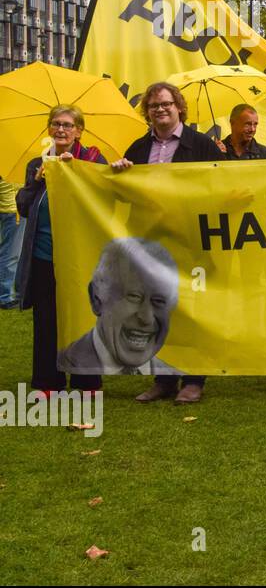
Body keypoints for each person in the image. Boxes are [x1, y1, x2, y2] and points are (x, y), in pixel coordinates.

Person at [111, 81, 224, 404]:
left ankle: (193, 381)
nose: (159, 110)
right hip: (151, 245)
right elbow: (123, 193)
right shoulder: (136, 149)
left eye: (165, 104)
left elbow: (227, 186)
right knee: (154, 312)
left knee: (191, 312)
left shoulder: (201, 145)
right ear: (147, 112)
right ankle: (163, 380)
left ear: (179, 108)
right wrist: (119, 173)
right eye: (153, 106)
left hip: (191, 243)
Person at [14, 106, 107, 395]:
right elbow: (23, 205)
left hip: (80, 256)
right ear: (49, 129)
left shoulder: (92, 159)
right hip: (44, 253)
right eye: (55, 124)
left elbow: (103, 198)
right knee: (46, 319)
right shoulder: (37, 163)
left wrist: (75, 171)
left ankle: (86, 381)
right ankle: (47, 382)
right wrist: (40, 178)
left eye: (67, 124)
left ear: (79, 130)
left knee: (82, 318)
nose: (61, 130)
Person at [58, 238, 182, 376]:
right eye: (134, 296)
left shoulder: (170, 371)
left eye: (158, 301)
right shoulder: (67, 360)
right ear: (96, 299)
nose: (146, 318)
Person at [0, 178, 20, 309]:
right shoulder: (13, 168)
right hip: (12, 211)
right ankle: (5, 297)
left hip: (6, 208)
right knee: (10, 254)